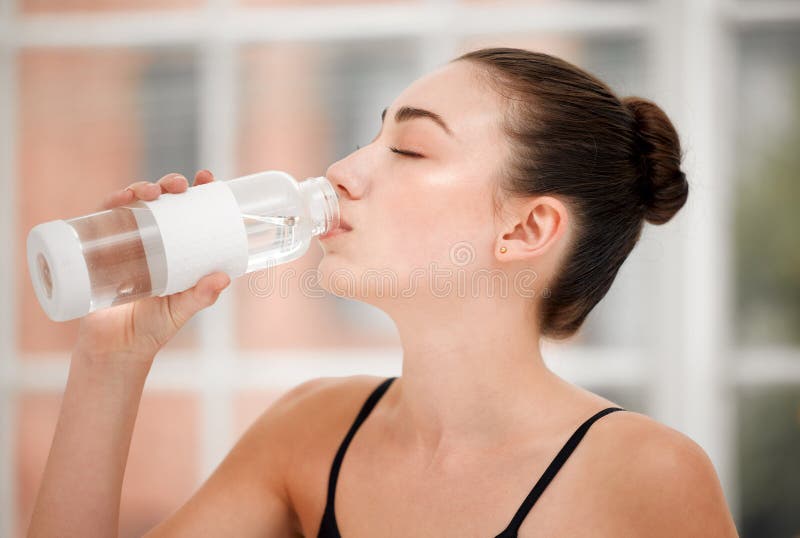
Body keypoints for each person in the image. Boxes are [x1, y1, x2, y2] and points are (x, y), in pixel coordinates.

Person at [27, 47, 739, 537]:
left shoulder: (644, 478)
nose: (341, 169)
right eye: (373, 138)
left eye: (409, 149)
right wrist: (111, 358)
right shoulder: (310, 433)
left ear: (526, 228)